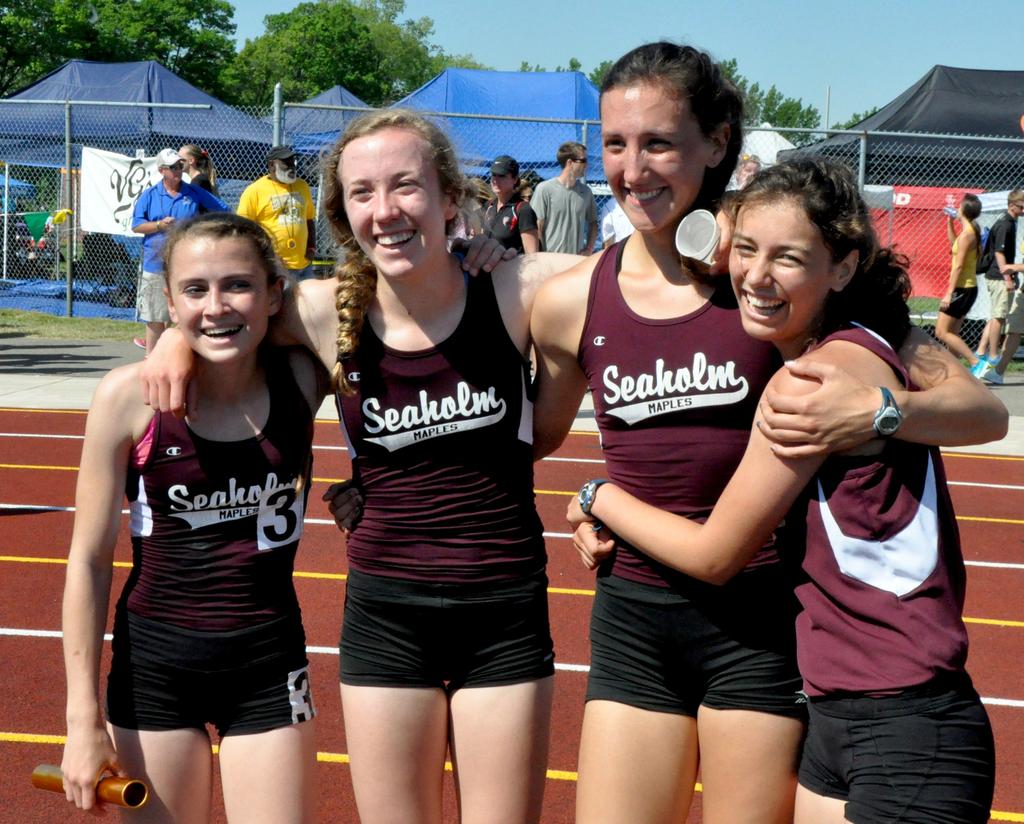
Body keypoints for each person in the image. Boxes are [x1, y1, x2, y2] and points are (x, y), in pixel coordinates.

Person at [528, 41, 1007, 824]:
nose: (633, 167)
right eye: (616, 143)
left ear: (717, 144)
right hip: (635, 619)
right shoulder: (571, 298)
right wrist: (592, 508)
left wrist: (884, 412)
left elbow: (979, 409)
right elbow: (538, 433)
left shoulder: (778, 288)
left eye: (658, 142)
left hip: (761, 626)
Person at [141, 109, 580, 824]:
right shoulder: (321, 310)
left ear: (447, 195)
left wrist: (498, 249)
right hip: (387, 617)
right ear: (343, 213)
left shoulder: (514, 290)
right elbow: (225, 313)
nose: (386, 211)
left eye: (405, 186)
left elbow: (627, 279)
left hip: (502, 612)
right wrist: (170, 345)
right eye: (363, 193)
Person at [61, 212, 327, 823]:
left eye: (238, 285)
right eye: (195, 290)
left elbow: (353, 298)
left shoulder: (304, 379)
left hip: (267, 663)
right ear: (169, 298)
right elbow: (88, 559)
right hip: (155, 669)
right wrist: (82, 720)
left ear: (273, 294)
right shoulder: (127, 398)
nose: (216, 306)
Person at [132, 148, 228, 353]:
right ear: (161, 171)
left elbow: (223, 210)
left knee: (186, 315)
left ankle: (182, 358)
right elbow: (137, 225)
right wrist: (159, 225)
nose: (178, 170)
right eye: (172, 167)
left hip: (186, 265)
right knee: (156, 317)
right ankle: (152, 360)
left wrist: (202, 229)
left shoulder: (193, 192)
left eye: (179, 166)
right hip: (156, 264)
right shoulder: (149, 195)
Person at [238, 146, 318, 281]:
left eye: (293, 162)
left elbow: (309, 219)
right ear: (272, 165)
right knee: (283, 302)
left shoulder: (302, 186)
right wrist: (268, 255)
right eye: (286, 163)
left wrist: (311, 247)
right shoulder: (254, 191)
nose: (292, 166)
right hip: (276, 267)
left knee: (308, 302)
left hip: (304, 264)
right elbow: (244, 229)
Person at [973, 189, 1024, 369]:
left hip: (1000, 275)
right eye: (1021, 206)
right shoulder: (1006, 224)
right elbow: (999, 252)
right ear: (1011, 205)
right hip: (999, 276)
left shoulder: (1011, 221)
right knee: (999, 317)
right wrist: (1007, 277)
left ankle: (980, 350)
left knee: (995, 315)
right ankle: (993, 353)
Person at [935, 194, 982, 367]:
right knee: (952, 334)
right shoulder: (968, 233)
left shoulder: (968, 235)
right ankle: (955, 373)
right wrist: (949, 223)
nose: (957, 208)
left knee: (941, 331)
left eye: (959, 206)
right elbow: (955, 245)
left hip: (962, 289)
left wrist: (949, 294)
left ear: (963, 210)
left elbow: (958, 267)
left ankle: (976, 361)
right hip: (967, 289)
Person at [531, 141, 598, 254]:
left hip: (576, 262)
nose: (587, 165)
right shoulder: (545, 189)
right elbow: (537, 227)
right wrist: (540, 256)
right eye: (583, 161)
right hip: (551, 262)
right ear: (570, 162)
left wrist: (589, 249)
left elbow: (593, 223)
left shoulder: (586, 192)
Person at [482, 155, 539, 254]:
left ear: (515, 179)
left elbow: (532, 256)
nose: (495, 180)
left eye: (502, 176)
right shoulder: (489, 206)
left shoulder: (523, 209)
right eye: (493, 175)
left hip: (513, 268)